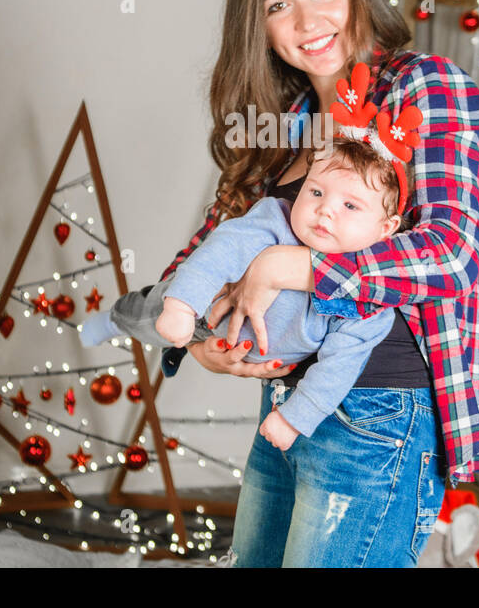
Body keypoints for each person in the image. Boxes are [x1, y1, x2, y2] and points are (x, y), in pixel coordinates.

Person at [157, 0, 479, 567]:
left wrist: (296, 266)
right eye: (278, 5)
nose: (307, 22)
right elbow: (205, 250)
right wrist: (201, 340)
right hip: (292, 401)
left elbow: (450, 254)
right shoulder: (285, 124)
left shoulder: (425, 87)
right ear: (256, 25)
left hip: (382, 414)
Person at [79, 126, 415, 451]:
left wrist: (294, 419)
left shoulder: (369, 301)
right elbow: (219, 251)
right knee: (145, 315)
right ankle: (114, 319)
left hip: (242, 353)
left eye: (350, 205)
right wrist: (182, 305)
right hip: (203, 301)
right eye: (316, 192)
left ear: (386, 228)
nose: (325, 209)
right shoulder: (274, 220)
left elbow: (338, 368)